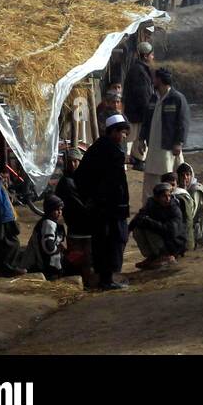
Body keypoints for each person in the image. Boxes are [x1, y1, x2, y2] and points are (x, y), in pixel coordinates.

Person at [76, 114, 134, 290]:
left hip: (98, 207)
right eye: (123, 133)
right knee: (113, 240)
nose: (124, 137)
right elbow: (116, 184)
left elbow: (80, 177)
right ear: (114, 132)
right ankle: (107, 278)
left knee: (101, 241)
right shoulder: (113, 152)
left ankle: (104, 278)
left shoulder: (96, 149)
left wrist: (90, 198)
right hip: (110, 208)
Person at [139, 68, 190, 203]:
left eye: (155, 78)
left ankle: (174, 204)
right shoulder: (153, 98)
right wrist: (141, 139)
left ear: (160, 80)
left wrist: (179, 142)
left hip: (168, 148)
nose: (153, 81)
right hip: (153, 149)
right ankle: (148, 207)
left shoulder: (177, 98)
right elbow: (146, 121)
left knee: (170, 178)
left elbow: (183, 122)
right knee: (150, 179)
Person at [130, 182, 187, 269]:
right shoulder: (151, 204)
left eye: (169, 196)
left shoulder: (174, 208)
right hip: (164, 238)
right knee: (138, 230)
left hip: (175, 242)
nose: (167, 199)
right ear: (156, 198)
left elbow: (171, 231)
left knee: (150, 229)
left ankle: (165, 256)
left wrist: (150, 222)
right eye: (164, 196)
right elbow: (139, 216)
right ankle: (153, 256)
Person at [123, 41, 156, 163]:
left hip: (136, 113)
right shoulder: (139, 71)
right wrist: (148, 111)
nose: (153, 57)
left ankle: (137, 160)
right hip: (136, 113)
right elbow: (143, 95)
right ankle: (128, 162)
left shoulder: (140, 69)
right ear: (146, 56)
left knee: (135, 139)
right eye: (151, 55)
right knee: (131, 139)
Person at [22, 195, 70, 280]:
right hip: (46, 265)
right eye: (56, 210)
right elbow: (48, 247)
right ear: (49, 210)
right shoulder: (48, 224)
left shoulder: (50, 222)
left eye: (60, 209)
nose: (59, 212)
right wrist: (59, 249)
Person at [53, 147, 90, 236]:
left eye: (75, 161)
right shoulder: (67, 182)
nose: (72, 165)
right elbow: (81, 205)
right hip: (77, 222)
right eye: (70, 162)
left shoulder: (78, 177)